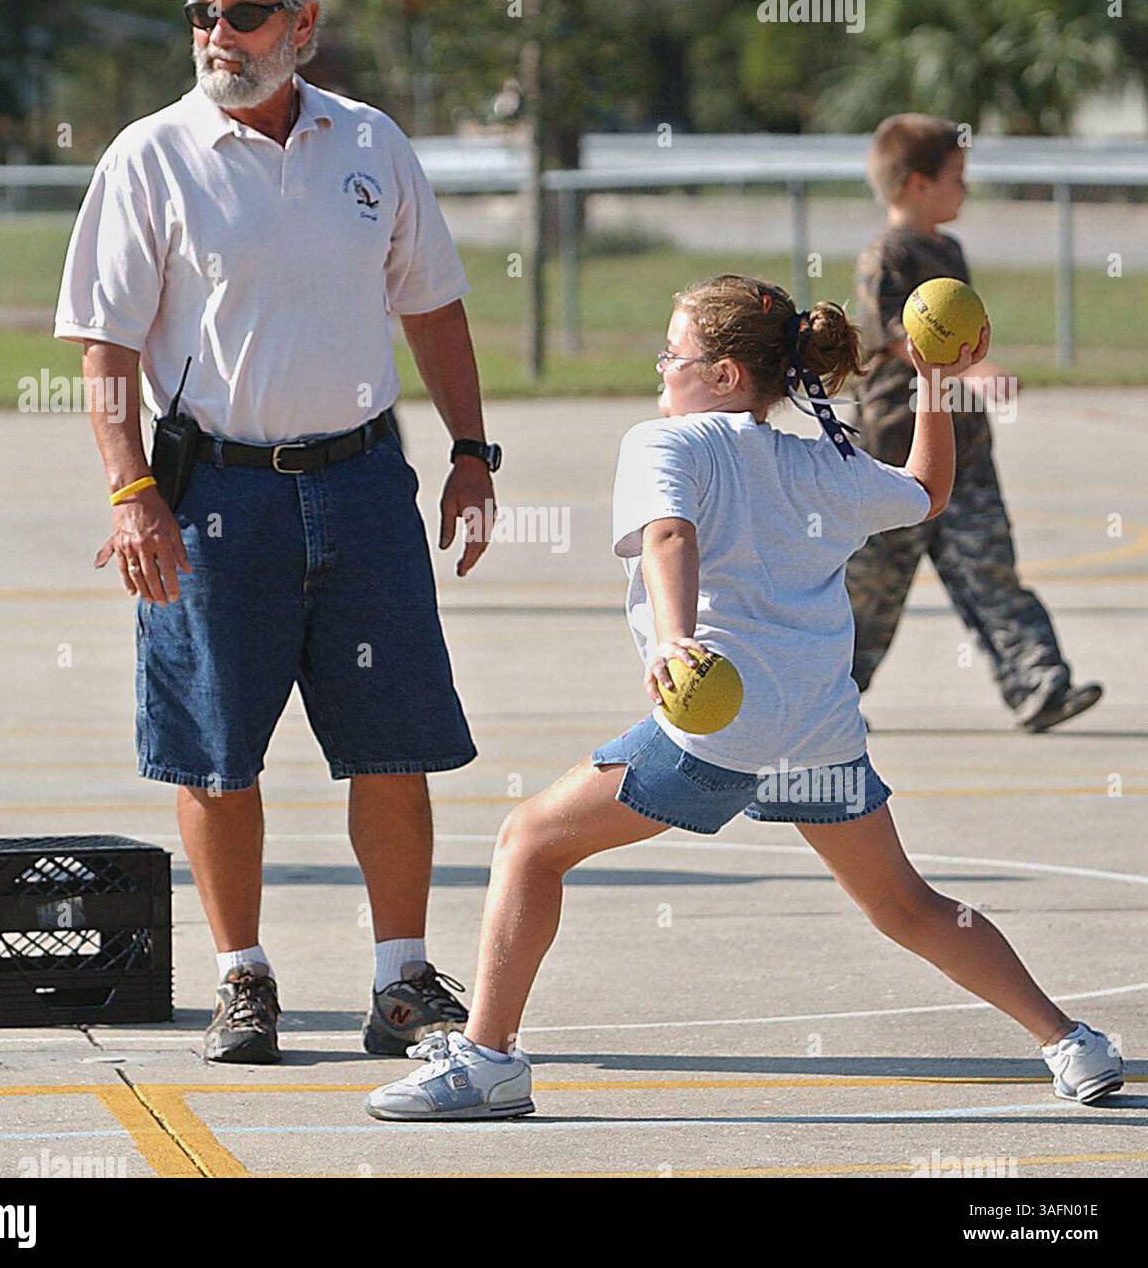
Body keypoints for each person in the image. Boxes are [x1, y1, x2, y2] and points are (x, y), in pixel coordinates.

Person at [364, 273, 1124, 1120]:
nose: (659, 365)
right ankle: (1070, 1041)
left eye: (673, 352)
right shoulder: (817, 460)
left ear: (724, 374)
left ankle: (489, 1061)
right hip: (818, 725)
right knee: (904, 904)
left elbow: (667, 531)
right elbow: (926, 493)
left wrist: (678, 634)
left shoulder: (666, 445)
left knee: (528, 842)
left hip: (719, 722)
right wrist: (937, 382)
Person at [54, 0, 504, 1064]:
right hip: (214, 498)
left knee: (391, 747)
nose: (216, 33)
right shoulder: (149, 157)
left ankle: (402, 981)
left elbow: (434, 304)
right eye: (201, 10)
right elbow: (104, 350)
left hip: (360, 486)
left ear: (303, 23)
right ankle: (241, 979)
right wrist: (129, 492)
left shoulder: (370, 144)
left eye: (242, 12)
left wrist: (471, 450)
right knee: (216, 751)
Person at [849, 113, 1101, 731]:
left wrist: (971, 374)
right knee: (871, 588)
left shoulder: (948, 251)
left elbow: (956, 337)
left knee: (990, 567)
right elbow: (901, 338)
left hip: (963, 449)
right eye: (956, 177)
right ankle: (827, 693)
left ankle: (1039, 682)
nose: (966, 187)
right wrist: (969, 373)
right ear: (916, 184)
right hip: (895, 450)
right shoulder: (886, 257)